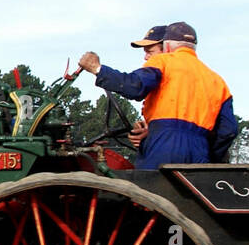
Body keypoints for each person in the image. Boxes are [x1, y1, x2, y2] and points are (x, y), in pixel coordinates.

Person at [79, 21, 237, 169]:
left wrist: (97, 68)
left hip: (163, 148)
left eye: (149, 51)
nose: (145, 57)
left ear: (166, 46)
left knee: (144, 193)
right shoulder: (218, 81)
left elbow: (135, 86)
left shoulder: (163, 62)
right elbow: (228, 130)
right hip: (199, 152)